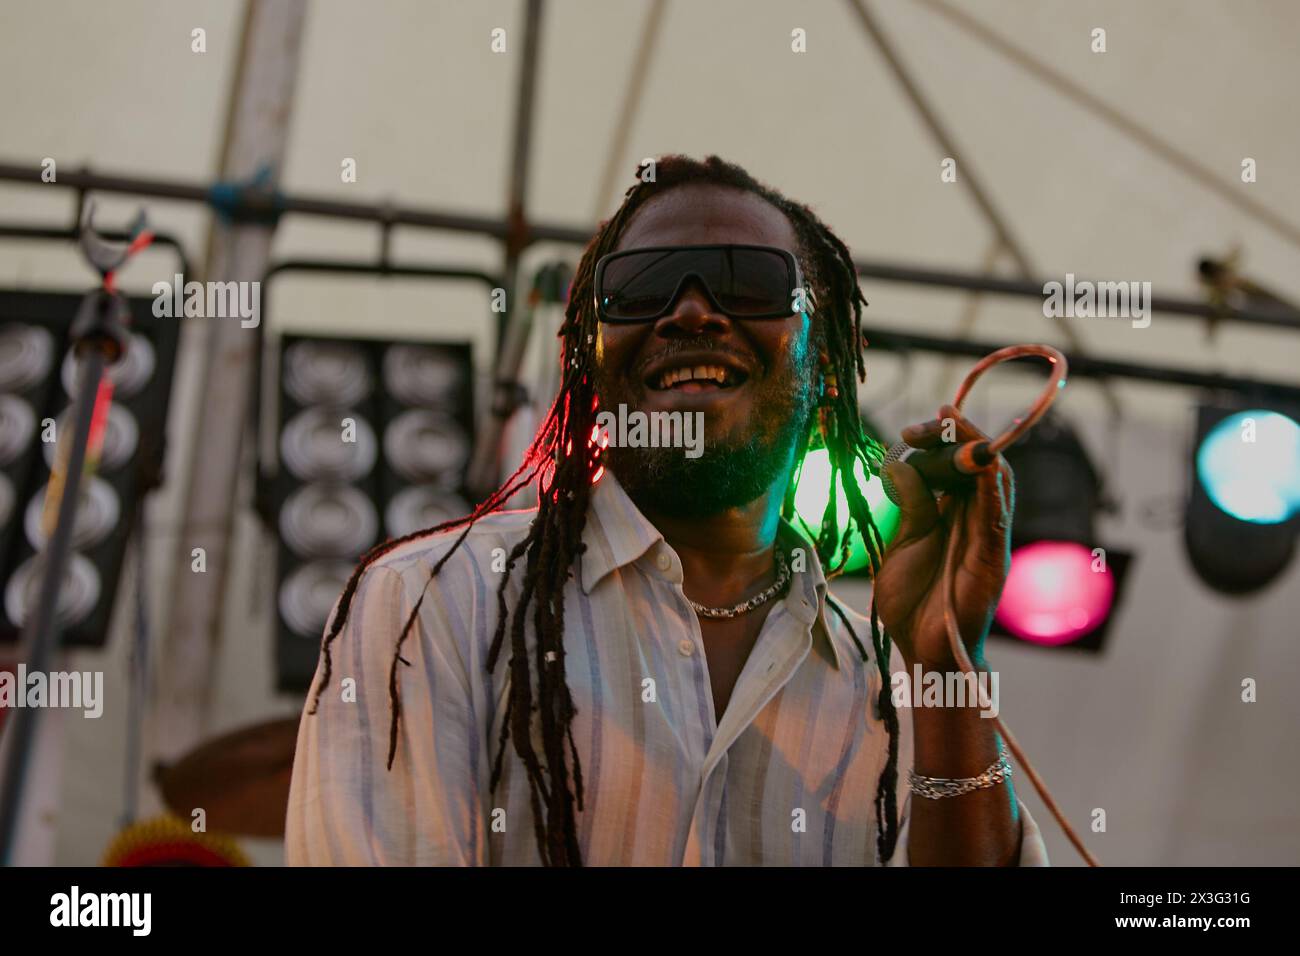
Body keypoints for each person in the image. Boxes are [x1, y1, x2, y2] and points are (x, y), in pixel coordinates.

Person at [286, 154, 1048, 866]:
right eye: (641, 287)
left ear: (829, 363)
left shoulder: (902, 689)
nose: (689, 311)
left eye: (747, 281)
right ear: (591, 355)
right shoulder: (433, 603)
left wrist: (950, 664)